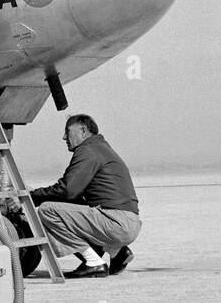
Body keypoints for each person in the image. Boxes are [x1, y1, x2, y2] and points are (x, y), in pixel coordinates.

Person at [28, 114, 141, 278]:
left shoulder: (88, 150)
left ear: (83, 130)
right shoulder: (101, 148)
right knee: (70, 207)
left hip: (117, 223)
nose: (64, 137)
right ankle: (116, 251)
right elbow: (73, 196)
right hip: (128, 222)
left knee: (48, 211)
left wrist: (30, 198)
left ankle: (94, 263)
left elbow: (67, 190)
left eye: (67, 131)